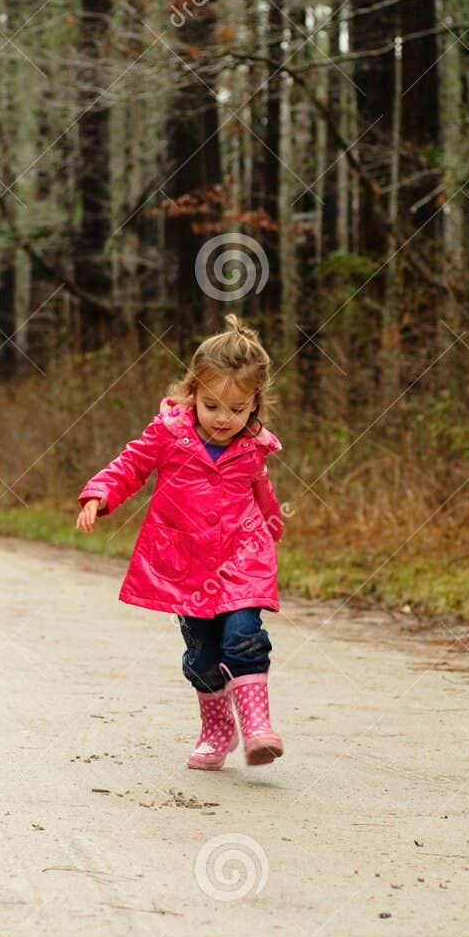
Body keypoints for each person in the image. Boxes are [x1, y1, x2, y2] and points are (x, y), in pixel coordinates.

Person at [75, 314, 284, 771]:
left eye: (236, 409)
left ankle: (257, 729)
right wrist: (100, 493)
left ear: (254, 405)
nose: (223, 418)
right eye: (212, 406)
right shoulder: (169, 434)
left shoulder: (254, 447)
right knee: (203, 655)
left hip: (242, 559)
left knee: (244, 637)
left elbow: (261, 492)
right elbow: (130, 465)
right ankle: (216, 729)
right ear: (192, 395)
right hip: (186, 563)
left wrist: (270, 528)